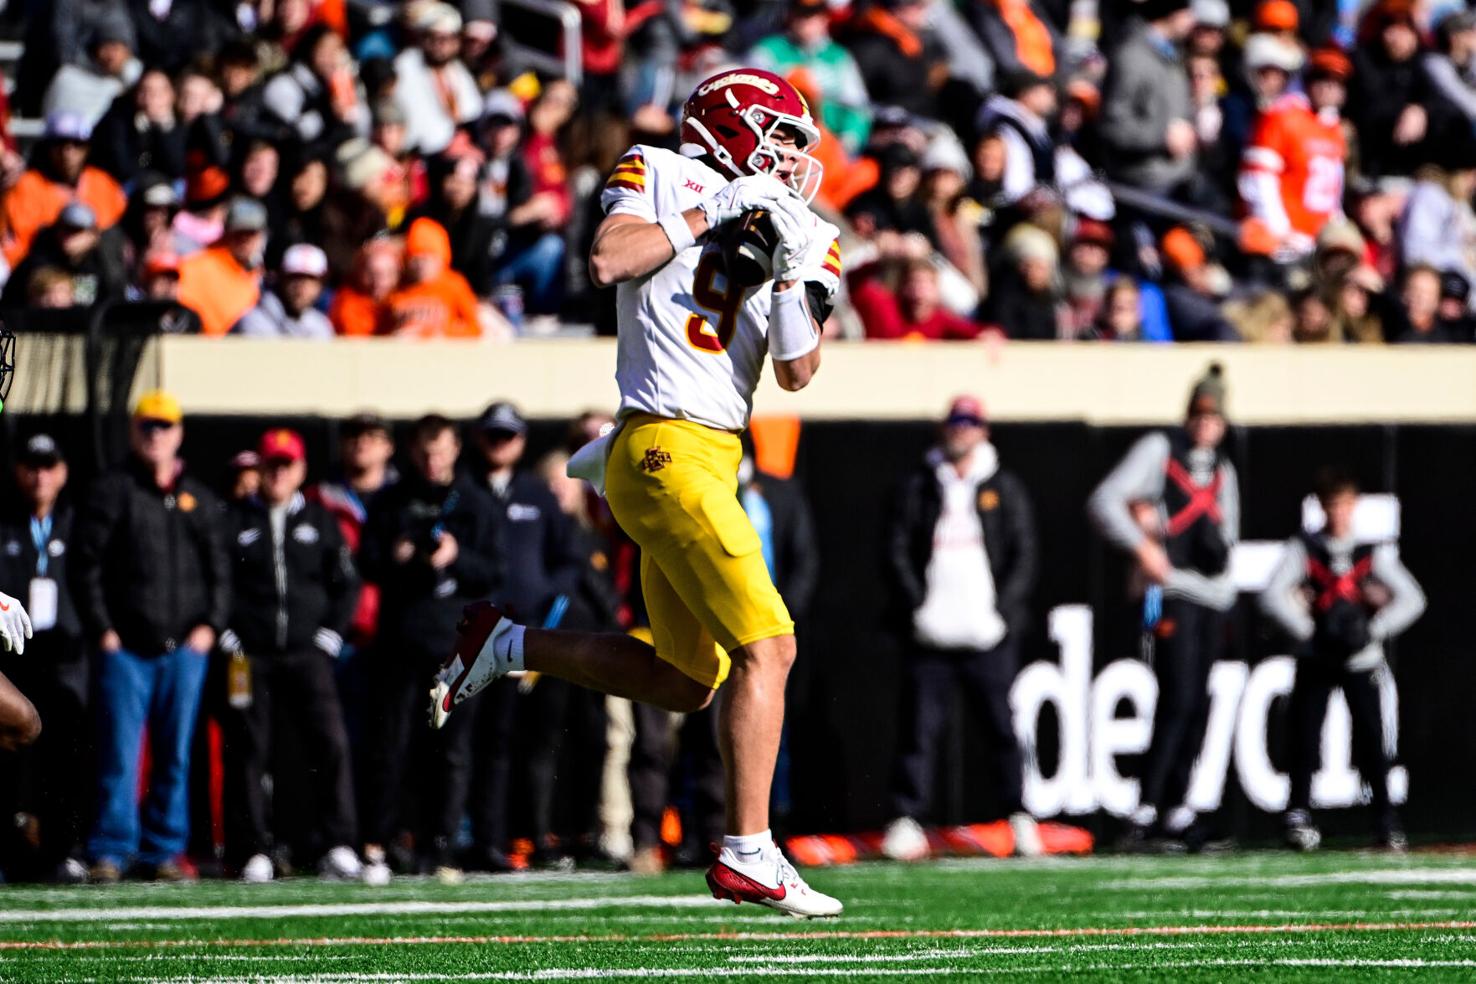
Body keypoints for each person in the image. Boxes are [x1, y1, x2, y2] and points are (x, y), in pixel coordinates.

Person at [431, 68, 844, 917]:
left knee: (687, 677)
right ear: (736, 130)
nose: (799, 160)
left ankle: (503, 646)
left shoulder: (806, 226)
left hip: (712, 453)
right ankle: (749, 851)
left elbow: (798, 372)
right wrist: (717, 215)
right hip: (665, 443)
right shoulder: (663, 169)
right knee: (771, 648)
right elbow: (609, 256)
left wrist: (789, 271)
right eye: (787, 139)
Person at [74, 391, 231, 883]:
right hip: (127, 647)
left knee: (176, 754)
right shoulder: (113, 489)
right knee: (120, 753)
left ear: (179, 434)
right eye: (147, 426)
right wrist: (103, 630)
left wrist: (210, 625)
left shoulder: (198, 498)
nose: (155, 435)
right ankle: (112, 849)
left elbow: (220, 569)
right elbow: (85, 566)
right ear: (133, 431)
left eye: (164, 426)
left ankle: (163, 849)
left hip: (183, 647)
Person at [1087, 365, 1240, 850]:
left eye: (1213, 416)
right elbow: (1106, 500)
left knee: (1195, 704)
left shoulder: (1222, 471)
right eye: (1198, 413)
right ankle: (1146, 808)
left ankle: (1178, 808)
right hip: (1171, 590)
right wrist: (1144, 544)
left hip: (1210, 594)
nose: (1204, 424)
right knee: (1175, 699)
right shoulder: (1160, 451)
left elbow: (1229, 536)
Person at [882, 396, 1040, 861]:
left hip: (985, 634)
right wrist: (917, 606)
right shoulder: (920, 485)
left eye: (972, 422)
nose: (963, 430)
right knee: (918, 731)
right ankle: (906, 820)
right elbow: (896, 548)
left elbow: (1023, 554)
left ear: (985, 431)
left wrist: (1002, 614)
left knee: (1001, 729)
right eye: (956, 422)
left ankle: (1018, 816)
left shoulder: (1003, 487)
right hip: (931, 632)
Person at [359, 415, 500, 880]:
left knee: (452, 750)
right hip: (400, 642)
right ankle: (386, 841)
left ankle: (441, 843)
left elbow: (496, 573)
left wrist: (457, 556)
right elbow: (366, 563)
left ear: (456, 449)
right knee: (393, 744)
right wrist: (397, 557)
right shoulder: (390, 501)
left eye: (440, 451)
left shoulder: (476, 503)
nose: (432, 461)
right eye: (424, 452)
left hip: (456, 645)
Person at [219, 428, 362, 883]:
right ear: (258, 468)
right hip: (251, 656)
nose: (278, 473)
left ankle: (337, 843)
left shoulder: (320, 520)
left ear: (300, 470)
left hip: (307, 652)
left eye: (287, 465)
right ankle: (253, 849)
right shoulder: (234, 520)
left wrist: (330, 636)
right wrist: (226, 632)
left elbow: (346, 584)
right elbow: (216, 583)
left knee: (329, 742)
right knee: (248, 748)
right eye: (271, 464)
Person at [1260, 469, 1426, 851]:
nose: (1339, 513)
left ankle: (1385, 817)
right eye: (1332, 505)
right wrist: (1308, 631)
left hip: (1359, 659)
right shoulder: (1305, 549)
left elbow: (1413, 598)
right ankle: (1298, 814)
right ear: (1321, 508)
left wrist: (1374, 629)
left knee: (1371, 739)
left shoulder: (1369, 554)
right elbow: (1272, 595)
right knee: (1304, 735)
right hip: (1317, 657)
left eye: (1345, 505)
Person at [465, 401, 586, 869]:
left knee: (524, 743)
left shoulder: (536, 494)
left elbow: (567, 561)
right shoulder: (465, 489)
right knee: (474, 743)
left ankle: (519, 838)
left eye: (509, 435)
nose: (501, 444)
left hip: (529, 640)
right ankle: (471, 839)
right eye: (493, 435)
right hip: (473, 640)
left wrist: (544, 610)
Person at [0, 435, 85, 882]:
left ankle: (59, 847)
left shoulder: (77, 521)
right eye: (31, 466)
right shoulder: (7, 522)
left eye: (48, 466)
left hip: (64, 656)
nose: (39, 476)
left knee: (43, 734)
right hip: (13, 653)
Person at [176, 197, 267, 337]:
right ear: (226, 233)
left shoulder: (259, 275)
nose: (245, 240)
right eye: (239, 233)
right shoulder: (197, 267)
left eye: (251, 233)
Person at [232, 243, 335, 338]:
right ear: (281, 278)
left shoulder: (321, 326)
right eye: (295, 278)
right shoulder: (254, 322)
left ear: (321, 284)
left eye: (310, 279)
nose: (301, 287)